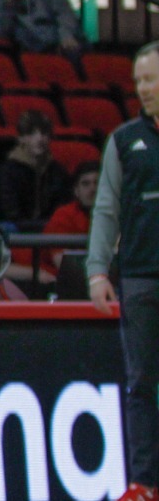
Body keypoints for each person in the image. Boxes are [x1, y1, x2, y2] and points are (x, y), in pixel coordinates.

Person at [86, 41, 159, 501]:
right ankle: (145, 484)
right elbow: (106, 209)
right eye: (139, 81)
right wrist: (97, 270)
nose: (143, 89)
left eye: (151, 79)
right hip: (141, 278)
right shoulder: (123, 140)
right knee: (141, 385)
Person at [0, 110, 72, 229]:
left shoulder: (58, 171)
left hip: (52, 232)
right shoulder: (7, 171)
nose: (39, 139)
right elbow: (10, 213)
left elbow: (62, 208)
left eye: (44, 133)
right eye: (31, 134)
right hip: (17, 233)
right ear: (20, 138)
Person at [44, 160, 98, 271]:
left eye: (97, 183)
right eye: (86, 184)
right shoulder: (64, 215)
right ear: (76, 191)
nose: (93, 189)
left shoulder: (118, 213)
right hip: (47, 279)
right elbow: (63, 264)